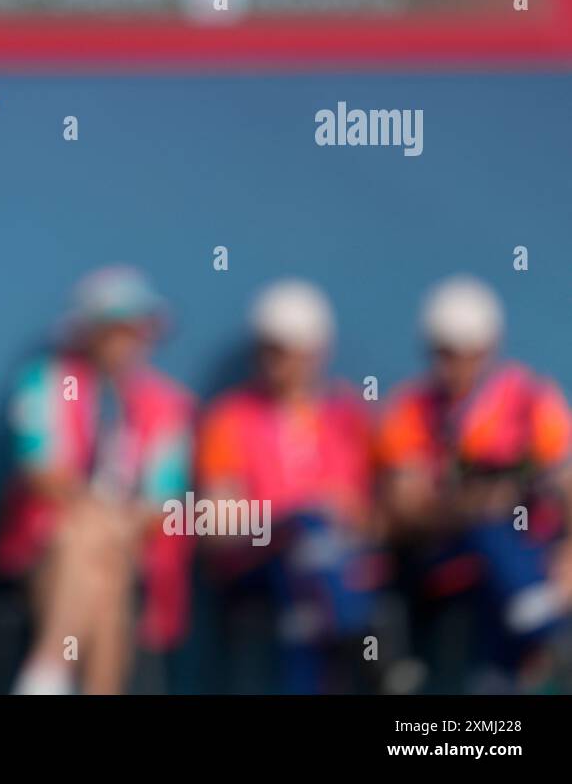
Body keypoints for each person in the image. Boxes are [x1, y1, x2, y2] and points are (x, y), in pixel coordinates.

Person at [0, 266, 195, 694]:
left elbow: (162, 503)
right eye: (114, 329)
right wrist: (102, 517)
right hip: (47, 542)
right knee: (95, 557)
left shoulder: (169, 404)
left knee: (95, 553)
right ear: (89, 332)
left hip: (124, 546)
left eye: (134, 330)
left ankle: (46, 672)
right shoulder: (44, 380)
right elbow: (41, 472)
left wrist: (112, 521)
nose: (126, 341)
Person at [377, 275, 572, 691]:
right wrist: (469, 505)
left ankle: (539, 624)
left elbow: (565, 484)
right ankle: (547, 628)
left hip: (530, 564)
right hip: (446, 562)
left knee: (511, 588)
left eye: (469, 352)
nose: (457, 365)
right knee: (490, 537)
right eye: (446, 352)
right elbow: (404, 508)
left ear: (490, 346)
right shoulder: (410, 410)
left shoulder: (532, 401)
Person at [196, 279, 379, 693]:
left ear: (317, 352)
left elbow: (372, 517)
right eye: (268, 349)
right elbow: (218, 527)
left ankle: (347, 633)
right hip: (258, 564)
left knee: (309, 581)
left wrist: (344, 519)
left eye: (288, 351)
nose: (275, 363)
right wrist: (296, 519)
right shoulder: (230, 418)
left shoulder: (349, 415)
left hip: (334, 567)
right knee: (305, 539)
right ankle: (362, 645)